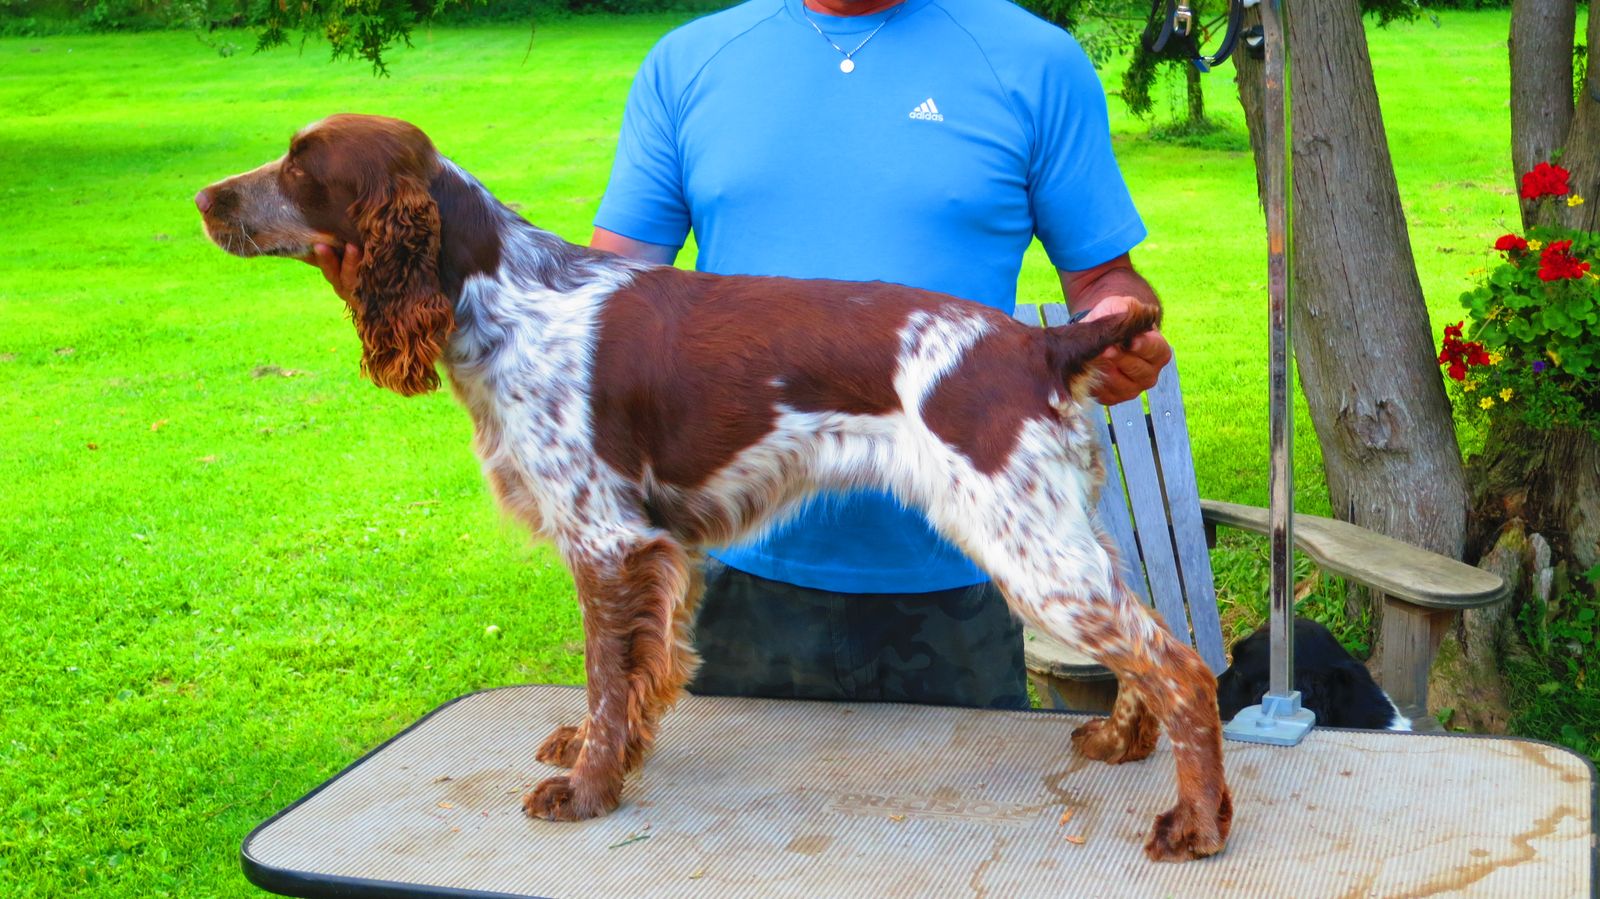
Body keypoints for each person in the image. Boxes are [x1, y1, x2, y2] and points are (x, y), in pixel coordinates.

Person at [310, 0, 1170, 711]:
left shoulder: (1035, 59)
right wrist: (401, 284)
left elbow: (1104, 278)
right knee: (736, 847)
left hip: (957, 573)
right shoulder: (689, 61)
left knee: (959, 846)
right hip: (746, 569)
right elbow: (604, 300)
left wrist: (1120, 323)